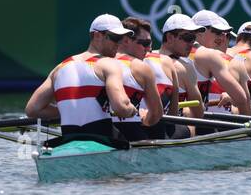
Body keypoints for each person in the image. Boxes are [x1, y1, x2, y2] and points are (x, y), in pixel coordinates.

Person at [23, 14, 161, 139]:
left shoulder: (59, 68)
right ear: (97, 35)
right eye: (114, 38)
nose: (118, 44)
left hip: (69, 139)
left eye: (121, 39)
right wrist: (134, 112)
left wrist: (69, 110)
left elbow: (33, 109)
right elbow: (121, 107)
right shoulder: (109, 64)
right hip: (103, 140)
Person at [188, 10, 251, 115]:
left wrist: (232, 99)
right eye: (217, 32)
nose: (223, 38)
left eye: (226, 35)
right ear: (199, 32)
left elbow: (245, 108)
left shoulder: (233, 63)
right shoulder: (174, 57)